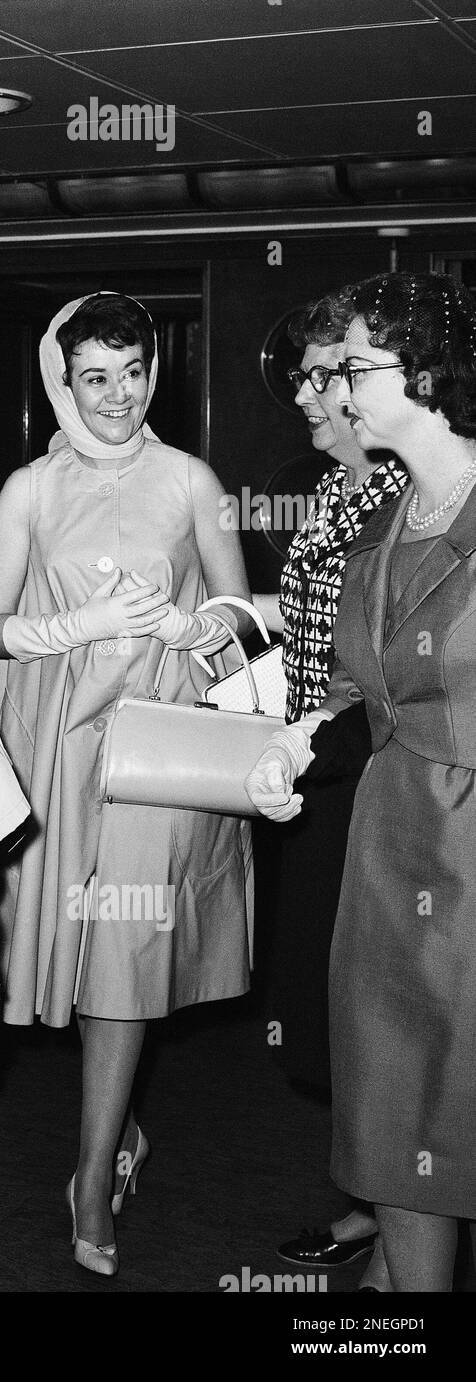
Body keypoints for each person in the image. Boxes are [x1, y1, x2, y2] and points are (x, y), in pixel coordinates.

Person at [0, 292, 253, 1277]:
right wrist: (68, 629)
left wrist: (196, 627)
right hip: (55, 736)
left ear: (152, 370)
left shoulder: (190, 479)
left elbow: (242, 612)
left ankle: (90, 1174)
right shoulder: (26, 490)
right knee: (71, 954)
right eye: (95, 375)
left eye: (132, 371)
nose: (117, 395)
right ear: (65, 378)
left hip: (154, 746)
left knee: (125, 957)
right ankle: (122, 1132)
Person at [247, 271, 476, 1291]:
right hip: (387, 851)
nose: (331, 388)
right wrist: (297, 745)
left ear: (423, 373)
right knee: (393, 1123)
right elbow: (357, 686)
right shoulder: (382, 525)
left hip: (467, 849)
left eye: (350, 366)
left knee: (448, 1119)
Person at [251, 295, 406, 1287]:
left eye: (324, 374)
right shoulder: (337, 485)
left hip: (372, 774)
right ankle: (372, 1208)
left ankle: (398, 1234)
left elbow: (389, 669)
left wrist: (314, 733)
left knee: (370, 1014)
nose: (304, 393)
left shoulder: (401, 490)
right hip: (319, 761)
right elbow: (316, 620)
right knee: (328, 1004)